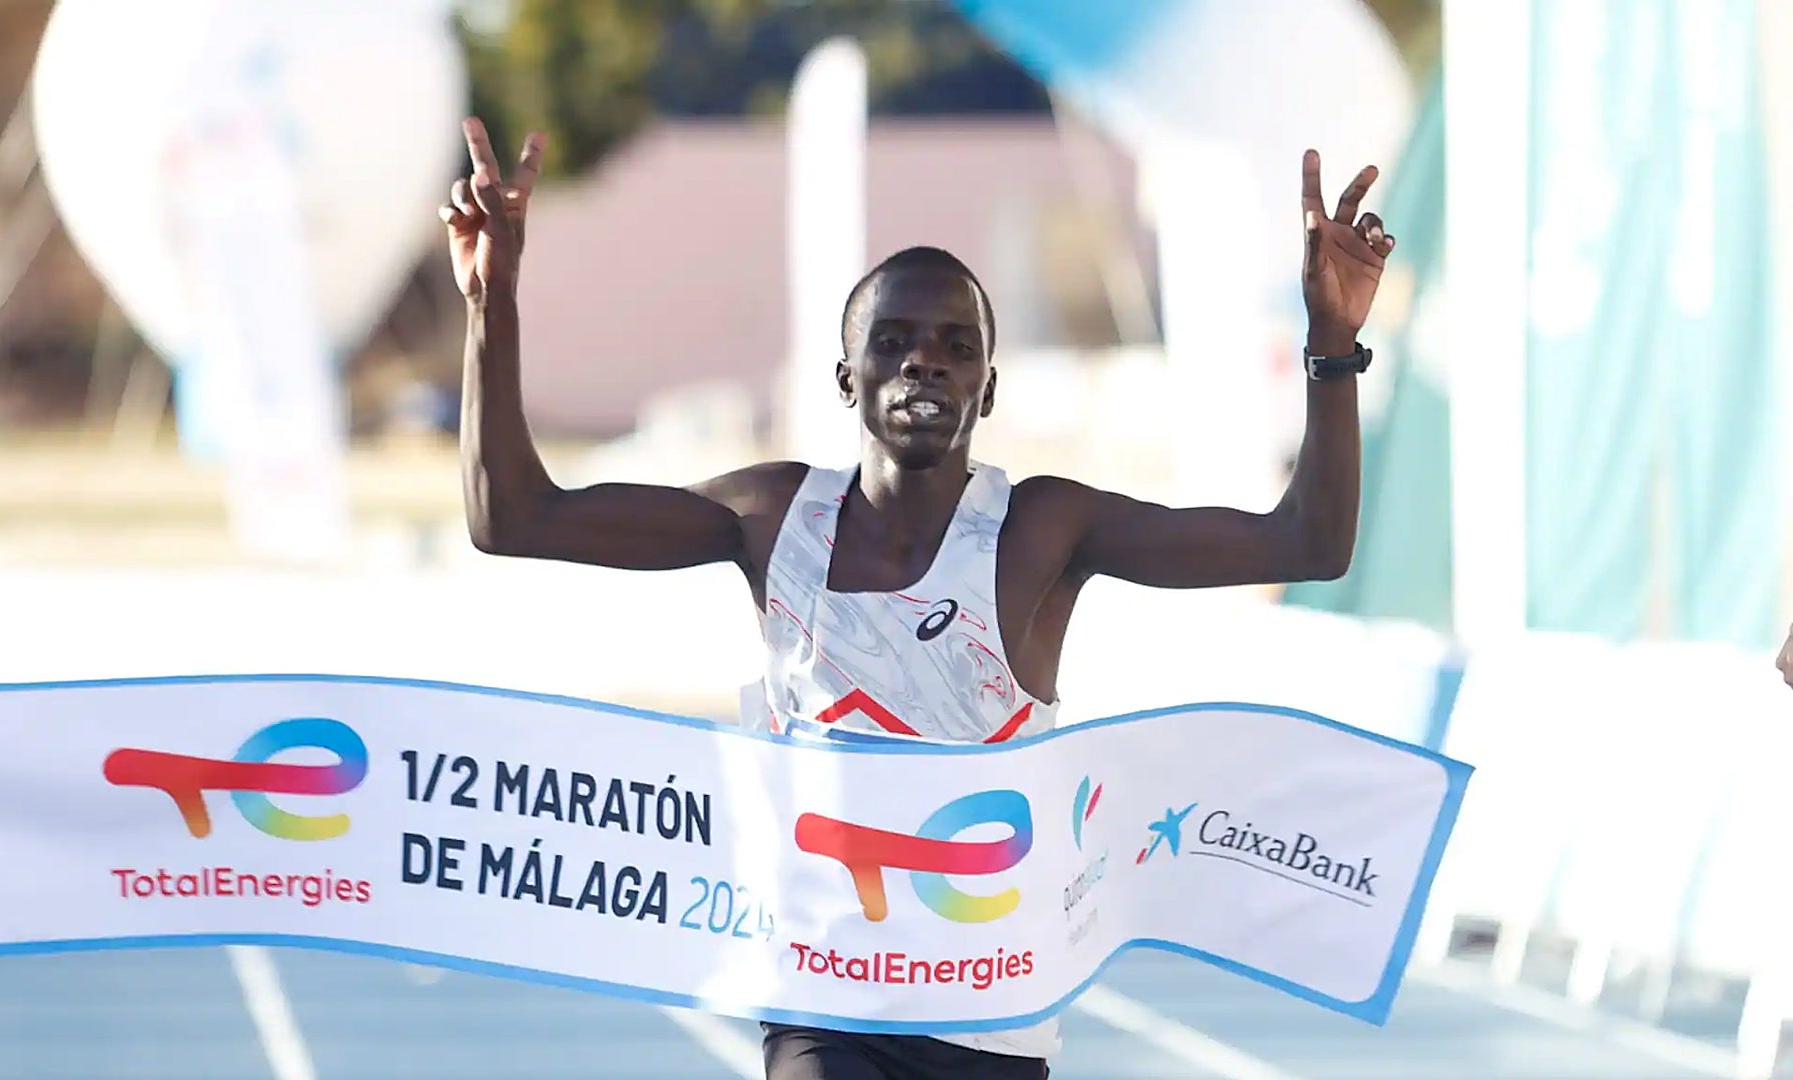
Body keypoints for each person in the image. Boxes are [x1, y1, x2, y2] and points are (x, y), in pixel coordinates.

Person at [442, 116, 1395, 1080]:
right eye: (892, 341)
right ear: (846, 378)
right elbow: (514, 518)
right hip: (827, 1001)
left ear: (985, 389)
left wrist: (1331, 343)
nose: (922, 361)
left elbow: (1305, 545)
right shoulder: (772, 519)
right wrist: (494, 304)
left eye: (953, 344)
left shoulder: (1043, 531)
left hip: (991, 1012)